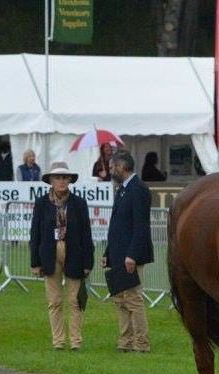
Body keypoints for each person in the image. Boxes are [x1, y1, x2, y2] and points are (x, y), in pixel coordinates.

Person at [29, 162, 94, 350]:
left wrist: (88, 262)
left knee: (75, 300)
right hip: (50, 253)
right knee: (55, 301)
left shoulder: (79, 203)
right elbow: (35, 233)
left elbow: (86, 234)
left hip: (74, 252)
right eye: (57, 178)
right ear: (50, 181)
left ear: (70, 180)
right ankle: (58, 341)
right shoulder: (41, 203)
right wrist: (35, 262)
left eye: (65, 177)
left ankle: (75, 341)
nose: (62, 181)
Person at [103, 151, 153, 352]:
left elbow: (141, 226)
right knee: (120, 299)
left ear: (121, 166)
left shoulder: (138, 189)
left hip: (130, 256)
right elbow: (117, 225)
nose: (110, 171)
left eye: (112, 167)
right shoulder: (122, 189)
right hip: (117, 254)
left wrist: (132, 254)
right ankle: (125, 341)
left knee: (133, 298)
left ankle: (141, 343)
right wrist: (108, 253)